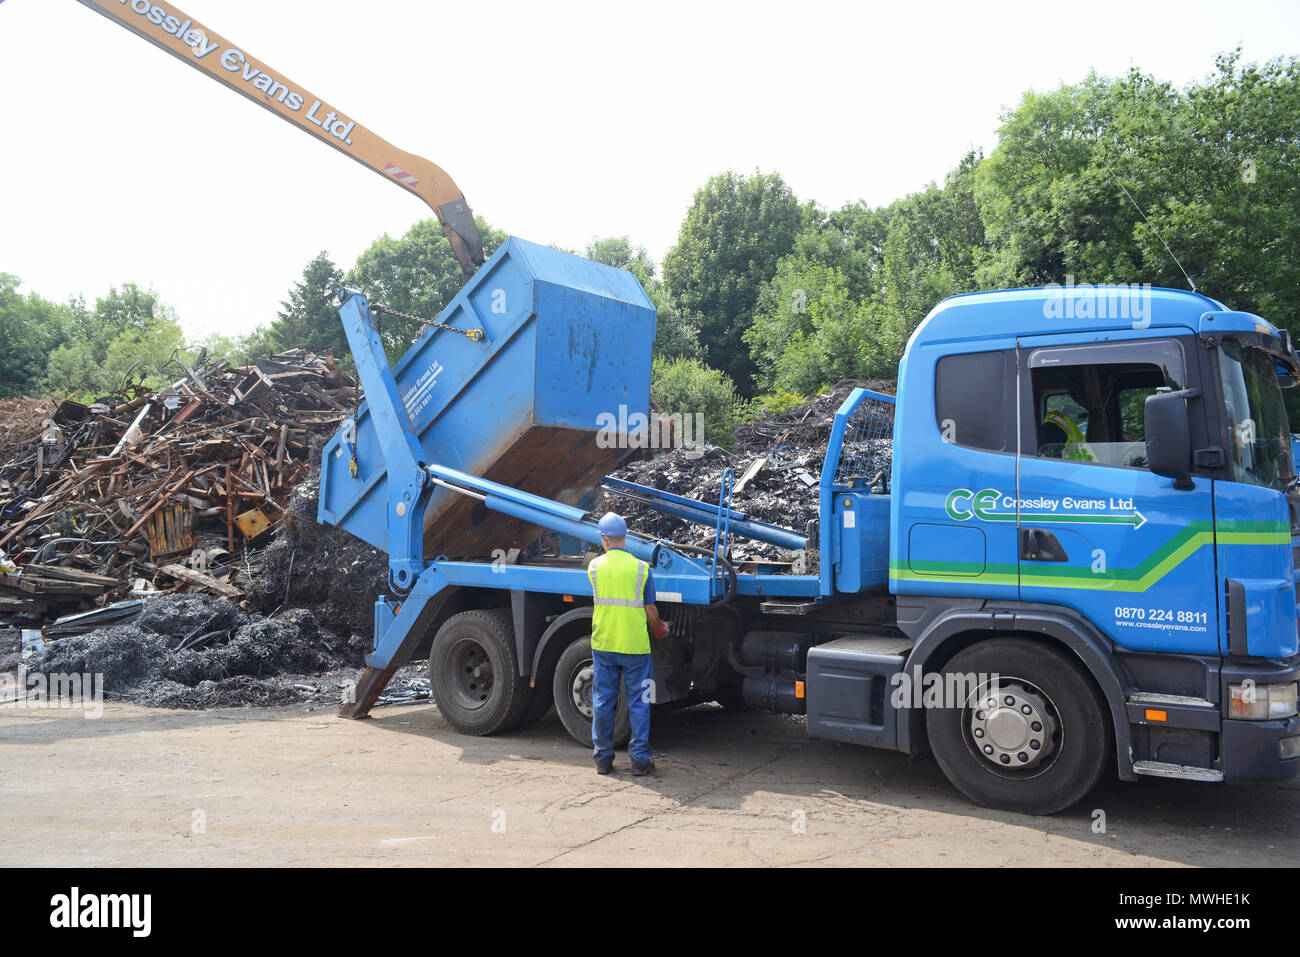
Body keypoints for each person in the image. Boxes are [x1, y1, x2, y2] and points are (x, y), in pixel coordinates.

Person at [587, 511, 668, 776]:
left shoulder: (595, 567)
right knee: (640, 702)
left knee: (602, 701)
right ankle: (639, 761)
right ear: (625, 538)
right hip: (635, 648)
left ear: (604, 539)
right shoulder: (641, 569)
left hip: (604, 645)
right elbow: (650, 611)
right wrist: (658, 628)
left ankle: (602, 760)